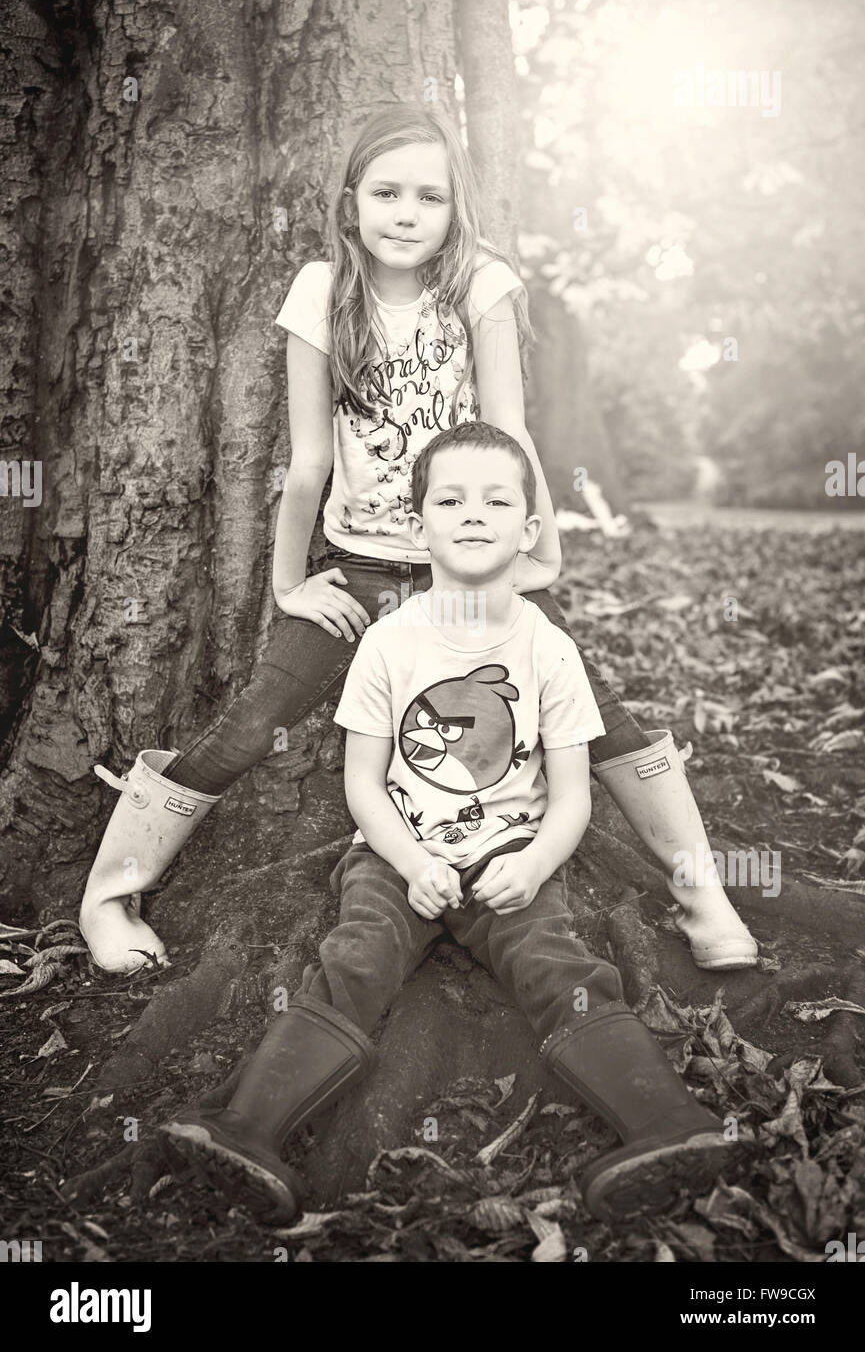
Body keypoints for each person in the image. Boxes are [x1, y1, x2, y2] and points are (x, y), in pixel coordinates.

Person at [79, 103, 757, 977]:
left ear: (454, 208)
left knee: (598, 721)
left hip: (474, 565)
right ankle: (106, 895)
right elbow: (309, 459)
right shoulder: (321, 291)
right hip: (359, 570)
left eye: (429, 197)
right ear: (351, 199)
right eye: (387, 192)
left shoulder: (481, 286)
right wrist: (291, 584)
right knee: (254, 720)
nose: (407, 213)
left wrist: (538, 546)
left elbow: (510, 431)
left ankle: (706, 895)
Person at [160, 425, 737, 1226]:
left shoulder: (549, 650)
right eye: (451, 499)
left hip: (511, 860)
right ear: (416, 523)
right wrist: (407, 859)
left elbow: (572, 796)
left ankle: (665, 1126)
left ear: (529, 531)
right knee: (353, 956)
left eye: (498, 500)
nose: (473, 515)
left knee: (559, 965)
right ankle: (245, 1130)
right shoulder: (388, 643)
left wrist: (533, 867)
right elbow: (361, 782)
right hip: (398, 856)